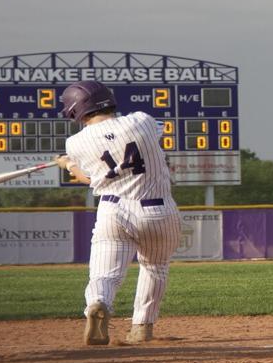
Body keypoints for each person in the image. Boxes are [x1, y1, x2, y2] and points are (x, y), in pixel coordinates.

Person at [53, 81, 182, 346]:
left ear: (76, 110)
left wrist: (68, 164)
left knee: (103, 274)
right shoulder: (142, 120)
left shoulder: (75, 143)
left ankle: (98, 302)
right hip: (157, 209)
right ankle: (142, 328)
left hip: (113, 210)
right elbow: (139, 145)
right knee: (155, 267)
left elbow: (88, 177)